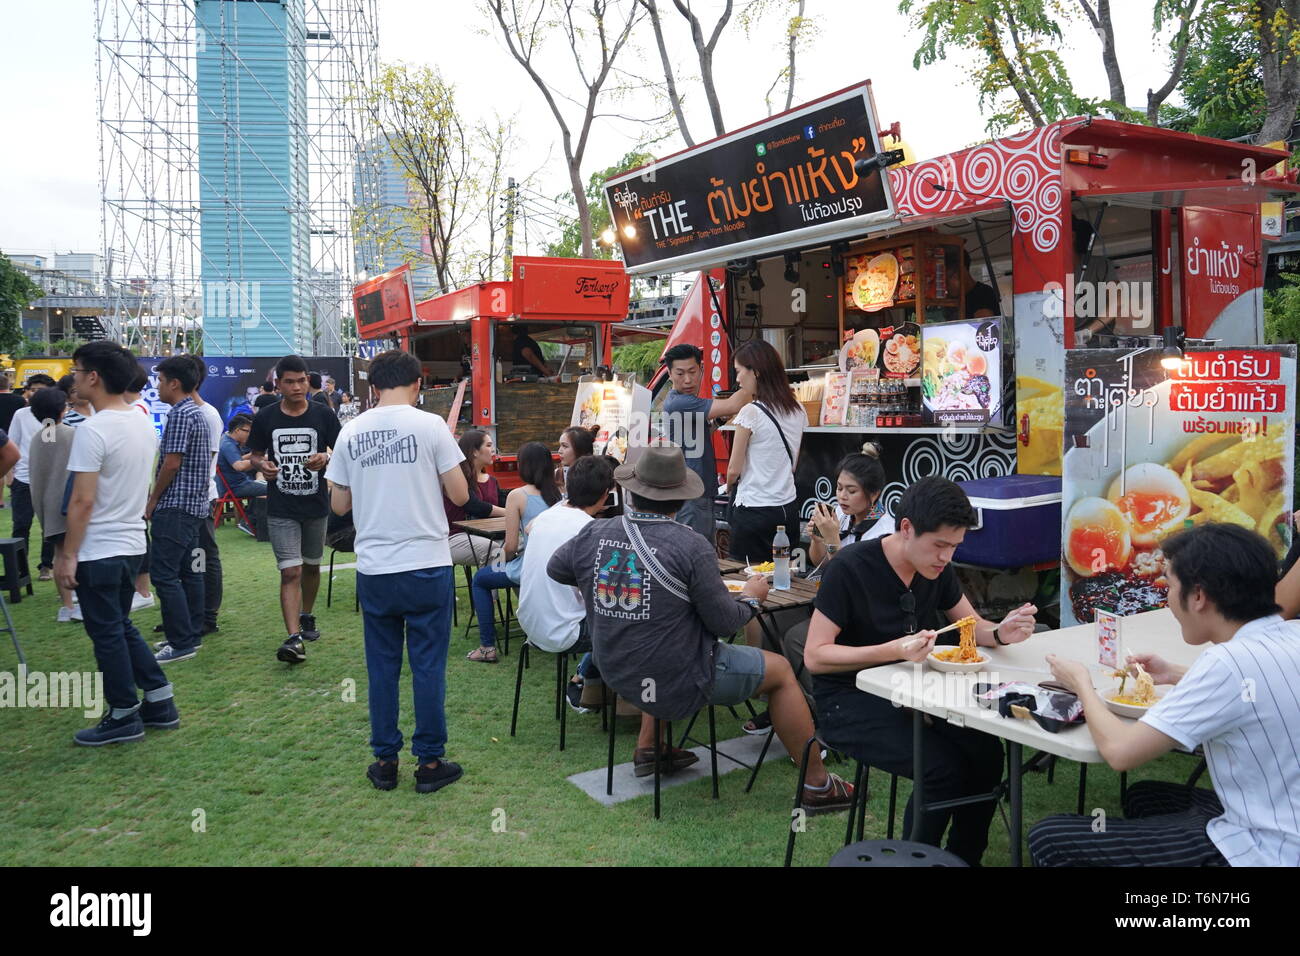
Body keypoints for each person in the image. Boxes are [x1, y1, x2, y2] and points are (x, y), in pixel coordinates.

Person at [546, 443, 854, 806]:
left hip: (614, 667)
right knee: (782, 671)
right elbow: (725, 621)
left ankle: (650, 747)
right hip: (677, 674)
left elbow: (557, 568)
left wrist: (609, 589)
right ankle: (818, 785)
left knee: (659, 641)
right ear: (679, 500)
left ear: (631, 491)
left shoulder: (595, 532)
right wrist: (753, 596)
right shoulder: (690, 544)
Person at [1029, 523, 1300, 867]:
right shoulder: (1290, 636)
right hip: (1286, 817)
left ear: (1198, 596)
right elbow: (1256, 687)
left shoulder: (1226, 663)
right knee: (1147, 797)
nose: (1166, 598)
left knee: (1051, 838)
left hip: (1268, 850)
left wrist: (1081, 683)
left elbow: (1121, 753)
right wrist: (1173, 673)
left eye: (1170, 586)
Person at [803, 476, 1039, 865]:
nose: (946, 557)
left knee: (985, 754)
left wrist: (1001, 631)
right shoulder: (850, 567)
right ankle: (917, 860)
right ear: (907, 528)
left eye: (954, 547)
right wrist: (892, 649)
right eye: (940, 545)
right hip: (848, 700)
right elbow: (815, 655)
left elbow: (971, 626)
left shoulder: (935, 568)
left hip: (915, 692)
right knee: (941, 769)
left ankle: (963, 858)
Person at [326, 349, 469, 794]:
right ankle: (429, 764)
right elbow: (462, 496)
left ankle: (385, 760)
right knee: (428, 667)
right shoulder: (432, 427)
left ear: (373, 387)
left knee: (382, 668)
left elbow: (339, 505)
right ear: (418, 383)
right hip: (426, 563)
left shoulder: (351, 432)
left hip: (376, 567)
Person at [57, 341, 179, 746]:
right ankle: (159, 699)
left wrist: (68, 555)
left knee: (107, 632)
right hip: (130, 543)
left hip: (101, 547)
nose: (74, 379)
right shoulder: (141, 421)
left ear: (93, 376)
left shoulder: (93, 429)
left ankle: (124, 712)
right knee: (119, 626)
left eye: (77, 371)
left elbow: (82, 500)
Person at [747, 442, 893, 731]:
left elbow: (854, 578)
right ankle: (785, 703)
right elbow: (820, 561)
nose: (842, 496)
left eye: (851, 491)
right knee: (770, 620)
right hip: (828, 604)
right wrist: (816, 538)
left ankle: (828, 710)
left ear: (873, 494)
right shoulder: (840, 517)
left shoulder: (885, 531)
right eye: (839, 488)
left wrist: (832, 540)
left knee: (797, 638)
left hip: (861, 614)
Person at [247, 354, 342, 664]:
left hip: (315, 504)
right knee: (291, 571)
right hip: (281, 507)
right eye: (290, 381)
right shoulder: (265, 417)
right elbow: (255, 455)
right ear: (279, 384)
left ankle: (307, 615)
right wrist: (264, 466)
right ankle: (293, 637)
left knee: (312, 566)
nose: (298, 386)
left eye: (302, 380)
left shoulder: (323, 415)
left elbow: (341, 451)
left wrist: (325, 458)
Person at [517, 455, 614, 711]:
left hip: (529, 622)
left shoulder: (552, 513)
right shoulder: (588, 529)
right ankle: (588, 684)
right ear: (606, 495)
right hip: (563, 630)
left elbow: (529, 528)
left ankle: (590, 683)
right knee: (624, 619)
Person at [146, 355, 214, 664]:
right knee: (188, 572)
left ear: (174, 383)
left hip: (175, 506)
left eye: (160, 380)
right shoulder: (195, 413)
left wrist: (152, 499)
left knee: (164, 575)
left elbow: (172, 463)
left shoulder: (180, 414)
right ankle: (188, 634)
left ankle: (181, 640)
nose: (157, 386)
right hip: (193, 505)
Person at [466, 441, 558, 663]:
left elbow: (509, 545)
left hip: (529, 565)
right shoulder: (560, 495)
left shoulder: (517, 495)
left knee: (481, 579)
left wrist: (502, 563)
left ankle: (487, 647)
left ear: (524, 466)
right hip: (557, 566)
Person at [661, 344, 752, 544]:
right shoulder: (680, 402)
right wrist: (752, 377)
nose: (687, 379)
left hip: (698, 490)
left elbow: (698, 435)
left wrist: (718, 420)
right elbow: (734, 404)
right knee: (696, 553)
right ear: (669, 374)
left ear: (701, 370)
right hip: (692, 494)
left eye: (693, 372)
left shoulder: (685, 401)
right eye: (680, 373)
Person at [725, 340, 805, 563]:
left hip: (753, 511)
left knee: (747, 576)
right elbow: (793, 463)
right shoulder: (797, 410)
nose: (738, 379)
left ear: (756, 372)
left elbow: (733, 469)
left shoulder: (750, 412)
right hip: (787, 508)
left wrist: (730, 485)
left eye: (740, 372)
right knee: (783, 576)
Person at [27, 388, 81, 623]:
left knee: (61, 554)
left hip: (47, 505)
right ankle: (80, 603)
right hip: (71, 504)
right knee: (75, 554)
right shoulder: (73, 434)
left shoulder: (37, 439)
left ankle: (67, 606)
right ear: (62, 409)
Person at [187, 357, 225, 638]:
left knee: (203, 556)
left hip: (200, 498)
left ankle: (206, 615)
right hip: (184, 501)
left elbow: (207, 461)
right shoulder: (183, 412)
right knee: (189, 558)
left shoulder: (208, 415)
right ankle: (188, 612)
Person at [8, 373, 58, 581]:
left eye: (43, 390)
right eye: (34, 389)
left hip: (47, 479)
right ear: (27, 391)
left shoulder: (49, 417)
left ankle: (46, 565)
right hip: (22, 478)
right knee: (21, 525)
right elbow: (13, 442)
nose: (37, 394)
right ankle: (21, 569)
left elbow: (50, 447)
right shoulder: (21, 414)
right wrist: (11, 474)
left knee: (49, 527)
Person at [445, 429, 506, 567]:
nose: (493, 450)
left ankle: (523, 589)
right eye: (489, 445)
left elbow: (505, 503)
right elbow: (474, 506)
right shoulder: (458, 478)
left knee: (521, 547)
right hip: (455, 536)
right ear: (475, 451)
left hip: (488, 535)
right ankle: (488, 585)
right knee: (494, 550)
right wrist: (510, 512)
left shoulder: (492, 480)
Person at [123, 371, 156, 611]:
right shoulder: (136, 409)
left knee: (138, 536)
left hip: (134, 486)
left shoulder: (136, 410)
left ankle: (142, 590)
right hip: (136, 485)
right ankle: (138, 589)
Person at [217, 413, 267, 504]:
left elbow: (237, 460)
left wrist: (253, 455)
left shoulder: (226, 439)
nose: (249, 435)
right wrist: (261, 459)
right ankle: (256, 517)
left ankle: (253, 515)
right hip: (238, 487)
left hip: (238, 485)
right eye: (247, 431)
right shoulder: (228, 445)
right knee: (277, 488)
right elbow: (239, 466)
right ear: (237, 430)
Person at [554, 424, 596, 499]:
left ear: (580, 449)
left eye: (565, 446)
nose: (559, 451)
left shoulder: (597, 476)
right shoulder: (556, 474)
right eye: (560, 445)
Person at [961, 250, 999, 319]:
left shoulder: (983, 293)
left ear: (962, 270)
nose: (946, 284)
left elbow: (983, 327)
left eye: (950, 276)